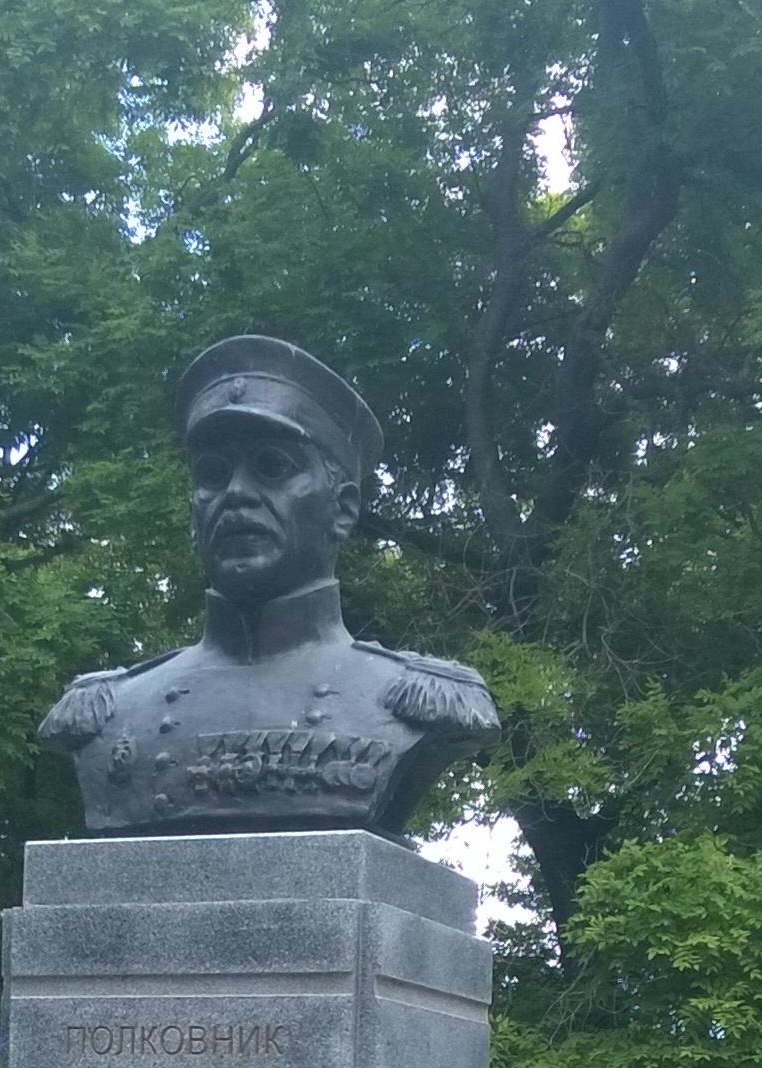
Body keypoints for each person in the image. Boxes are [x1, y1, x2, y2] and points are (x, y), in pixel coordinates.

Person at [40, 334, 497, 833]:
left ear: (342, 509)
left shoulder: (412, 699)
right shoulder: (111, 711)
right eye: (212, 474)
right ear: (193, 513)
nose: (235, 494)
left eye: (273, 467)